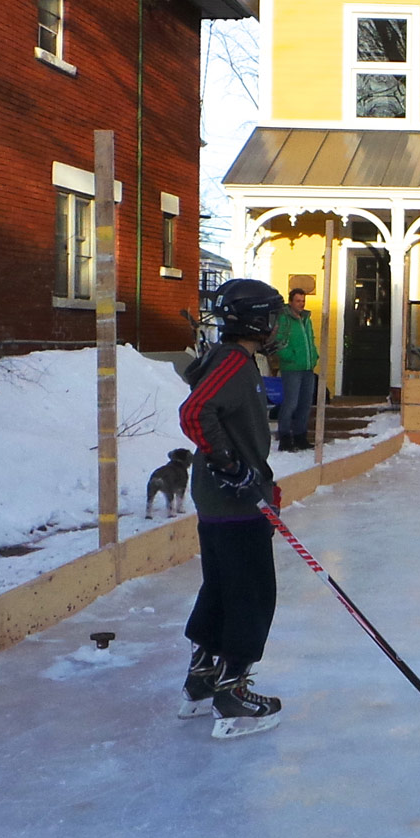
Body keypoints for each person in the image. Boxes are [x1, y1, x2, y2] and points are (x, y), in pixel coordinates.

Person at [177, 277, 287, 738]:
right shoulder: (234, 361)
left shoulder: (234, 360)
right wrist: (231, 467)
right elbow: (194, 411)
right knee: (252, 594)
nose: (276, 324)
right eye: (272, 315)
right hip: (234, 501)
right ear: (256, 319)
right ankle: (232, 690)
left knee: (223, 587)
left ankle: (202, 678)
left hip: (228, 500)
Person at [270, 287, 320, 451]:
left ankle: (300, 437)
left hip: (307, 366)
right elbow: (278, 342)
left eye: (303, 301)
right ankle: (285, 437)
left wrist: (314, 356)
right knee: (291, 403)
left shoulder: (306, 319)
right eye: (298, 301)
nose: (301, 304)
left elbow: (310, 340)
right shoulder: (284, 318)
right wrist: (289, 356)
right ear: (291, 302)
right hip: (292, 368)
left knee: (305, 404)